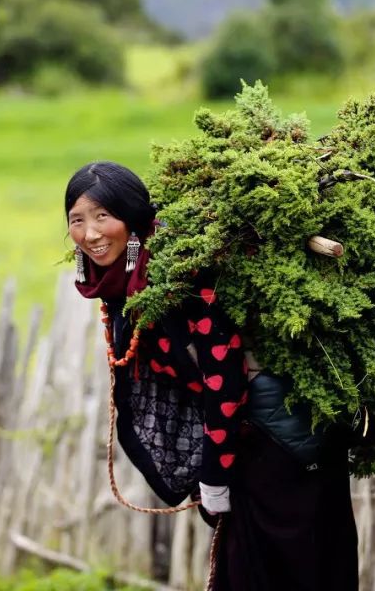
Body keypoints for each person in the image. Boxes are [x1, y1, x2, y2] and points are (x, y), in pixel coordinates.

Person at [65, 161, 359, 590]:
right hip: (252, 444)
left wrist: (215, 474)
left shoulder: (180, 272)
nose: (90, 234)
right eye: (77, 220)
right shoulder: (127, 279)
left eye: (102, 217)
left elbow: (225, 376)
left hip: (279, 444)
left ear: (132, 219)